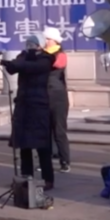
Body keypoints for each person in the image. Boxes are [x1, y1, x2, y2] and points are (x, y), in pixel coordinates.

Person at [0, 35, 56, 189]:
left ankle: (47, 179)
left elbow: (31, 67)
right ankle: (26, 177)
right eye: (28, 43)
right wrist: (8, 63)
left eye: (33, 44)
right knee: (24, 145)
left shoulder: (46, 59)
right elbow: (13, 68)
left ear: (40, 45)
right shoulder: (23, 56)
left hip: (39, 106)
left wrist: (16, 63)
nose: (30, 46)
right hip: (23, 105)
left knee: (42, 146)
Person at [42, 27, 71, 173]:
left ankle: (65, 161)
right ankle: (45, 162)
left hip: (58, 97)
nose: (46, 41)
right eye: (45, 39)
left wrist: (43, 58)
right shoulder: (42, 54)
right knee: (45, 131)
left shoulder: (61, 54)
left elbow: (58, 64)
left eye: (48, 39)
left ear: (55, 40)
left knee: (59, 131)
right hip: (44, 95)